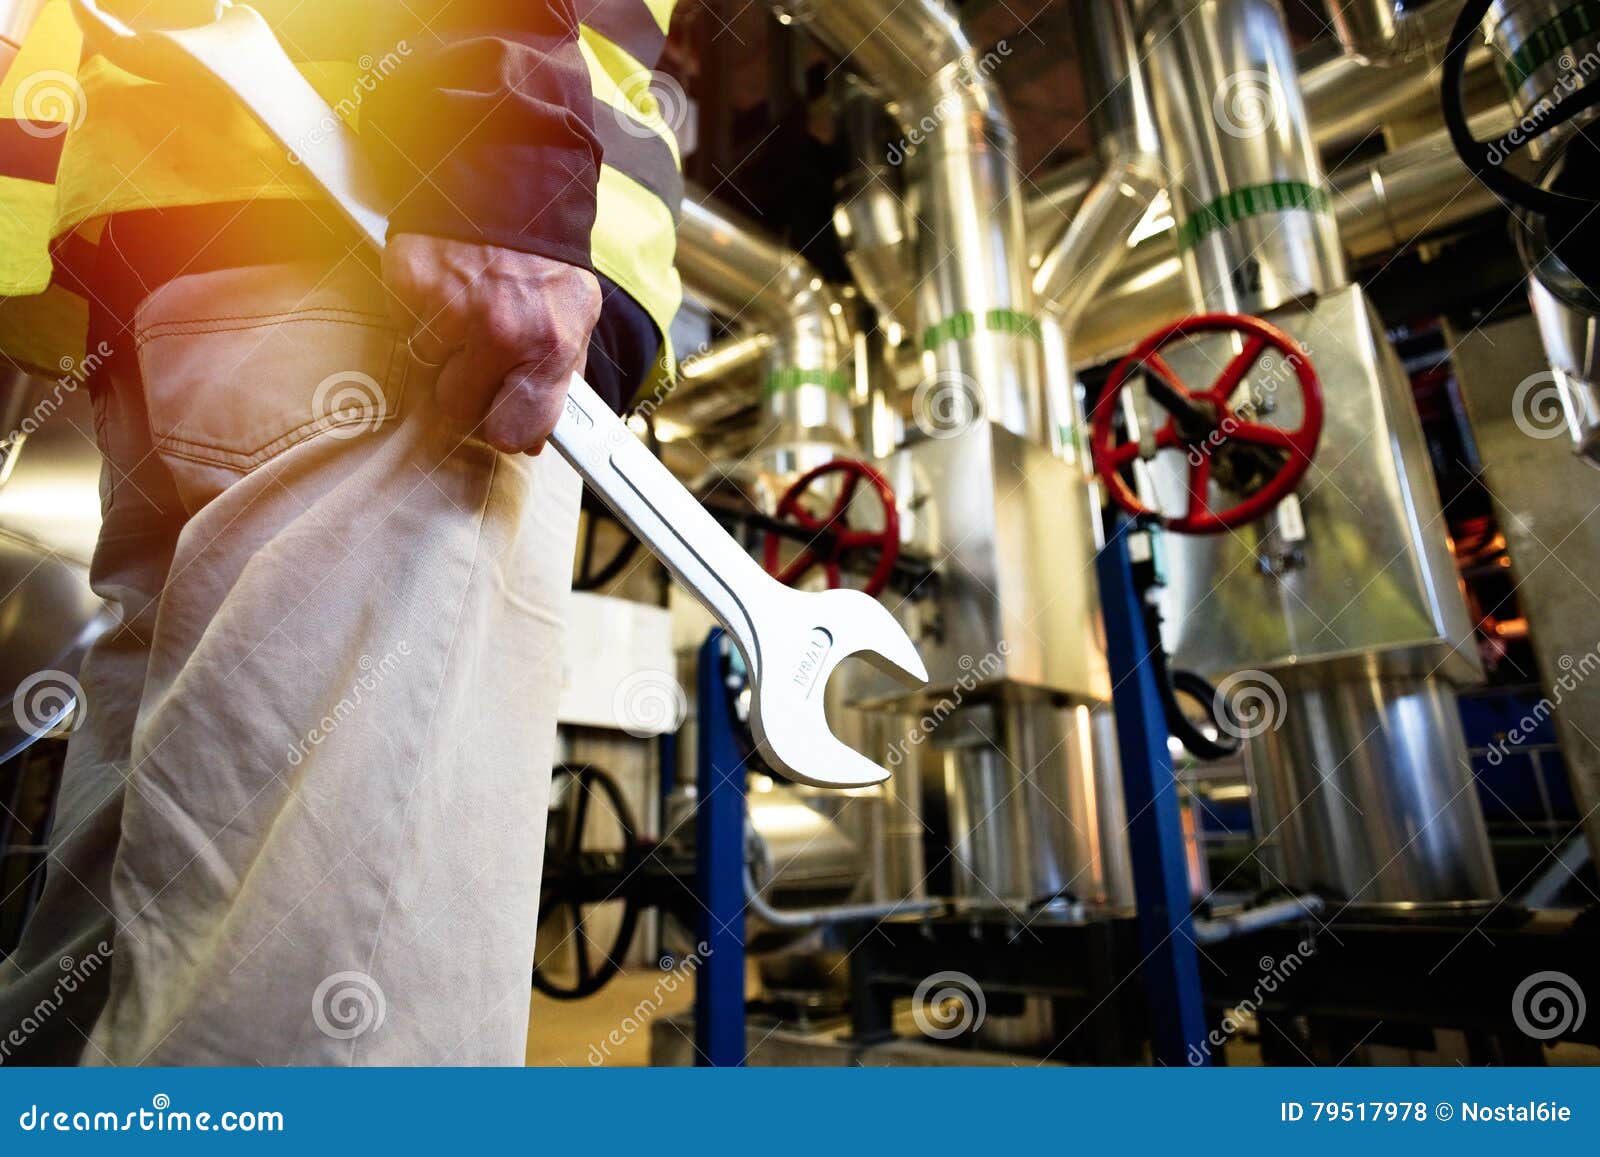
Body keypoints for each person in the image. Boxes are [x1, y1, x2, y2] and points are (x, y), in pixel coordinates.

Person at [0, 0, 681, 1064]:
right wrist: (500, 144)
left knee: (121, 969)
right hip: (398, 260)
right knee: (333, 1026)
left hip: (179, 245)